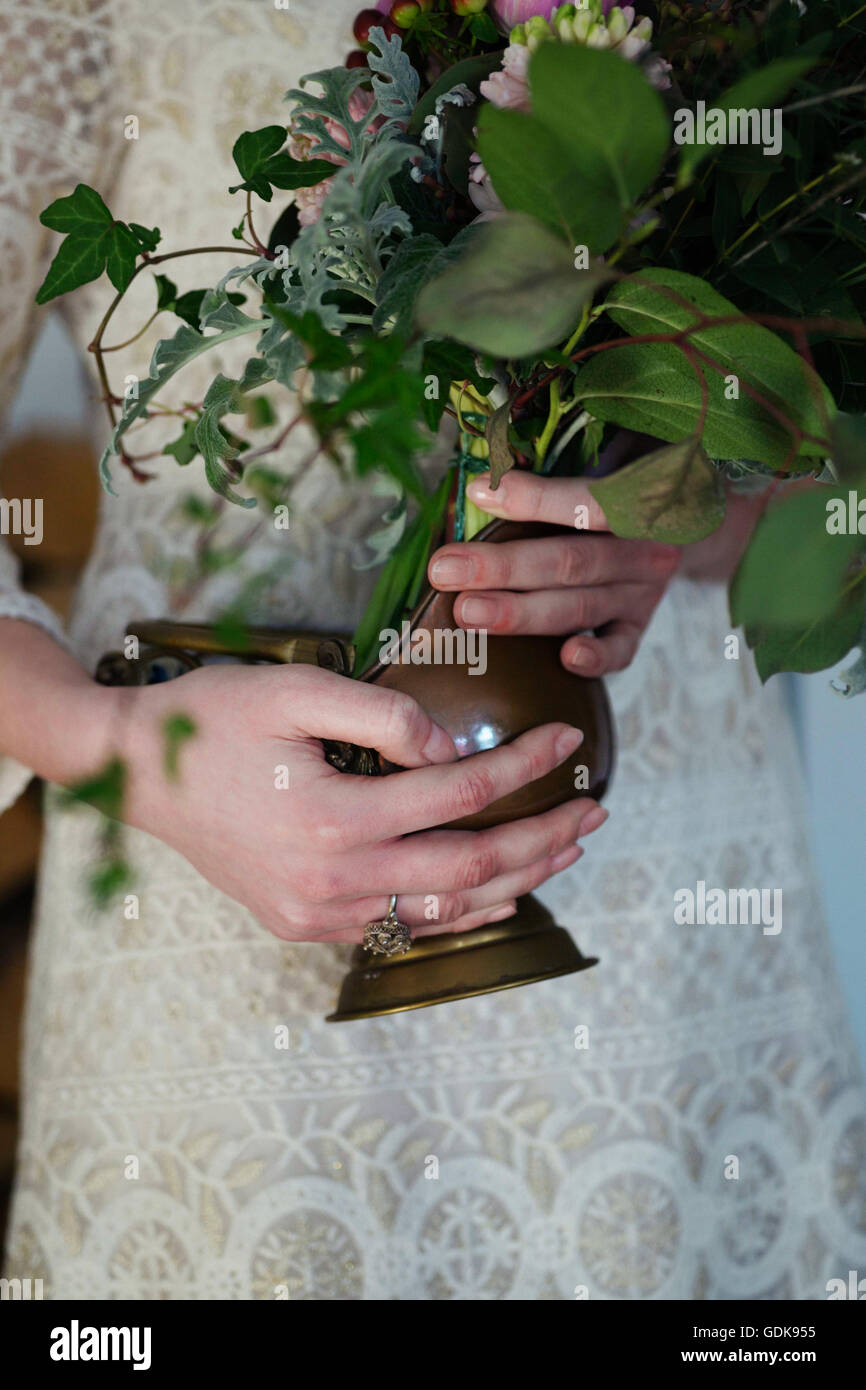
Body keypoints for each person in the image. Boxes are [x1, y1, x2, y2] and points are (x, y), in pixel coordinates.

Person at [1, 0, 863, 1300]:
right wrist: (117, 742)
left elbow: (816, 448)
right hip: (225, 931)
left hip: (674, 954)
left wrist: (684, 515)